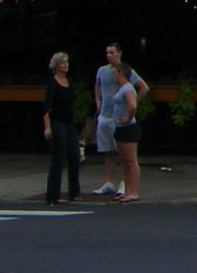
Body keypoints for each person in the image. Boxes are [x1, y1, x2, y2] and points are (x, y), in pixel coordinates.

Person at [94, 43, 148, 198]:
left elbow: (143, 89)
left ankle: (126, 185)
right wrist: (98, 100)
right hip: (105, 116)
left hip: (119, 120)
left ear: (119, 53)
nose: (109, 55)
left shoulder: (126, 75)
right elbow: (97, 85)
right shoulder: (102, 71)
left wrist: (130, 110)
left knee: (125, 156)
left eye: (112, 52)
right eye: (107, 52)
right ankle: (109, 182)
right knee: (108, 151)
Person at [42, 51, 81, 206]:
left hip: (69, 122)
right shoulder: (53, 83)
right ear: (56, 66)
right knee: (58, 157)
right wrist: (47, 127)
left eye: (66, 62)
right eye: (62, 63)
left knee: (75, 155)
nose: (65, 65)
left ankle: (74, 192)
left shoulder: (69, 81)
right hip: (57, 122)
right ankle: (53, 194)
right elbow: (46, 106)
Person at [103, 64, 143, 202]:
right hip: (119, 127)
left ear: (121, 73)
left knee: (131, 161)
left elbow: (132, 106)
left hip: (128, 129)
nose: (113, 75)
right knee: (124, 161)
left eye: (115, 73)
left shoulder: (127, 88)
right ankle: (127, 191)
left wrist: (128, 118)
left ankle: (133, 191)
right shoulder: (121, 88)